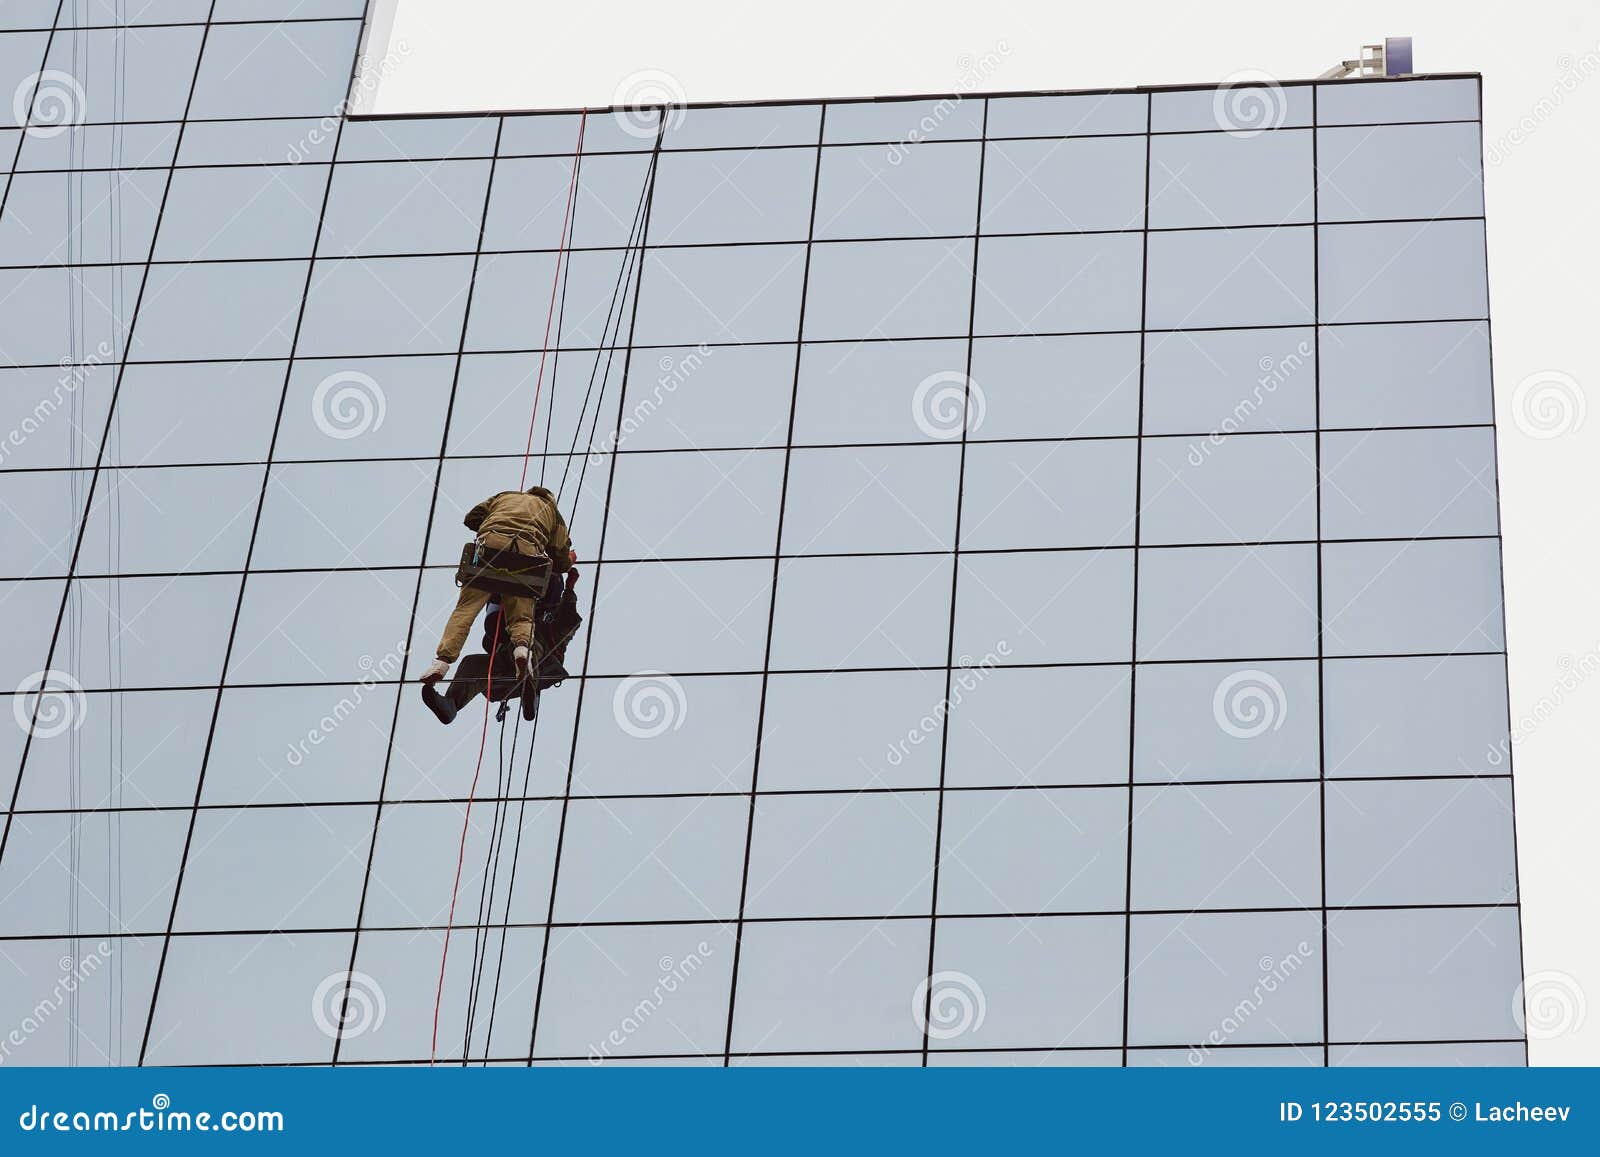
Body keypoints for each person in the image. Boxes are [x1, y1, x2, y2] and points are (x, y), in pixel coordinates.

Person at [421, 485, 572, 686]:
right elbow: (560, 558)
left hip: (489, 548)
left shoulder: (505, 496)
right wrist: (568, 560)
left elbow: (471, 518)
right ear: (550, 499)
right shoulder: (552, 512)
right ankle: (522, 654)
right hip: (525, 554)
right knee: (521, 617)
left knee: (464, 611)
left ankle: (440, 664)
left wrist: (497, 526)